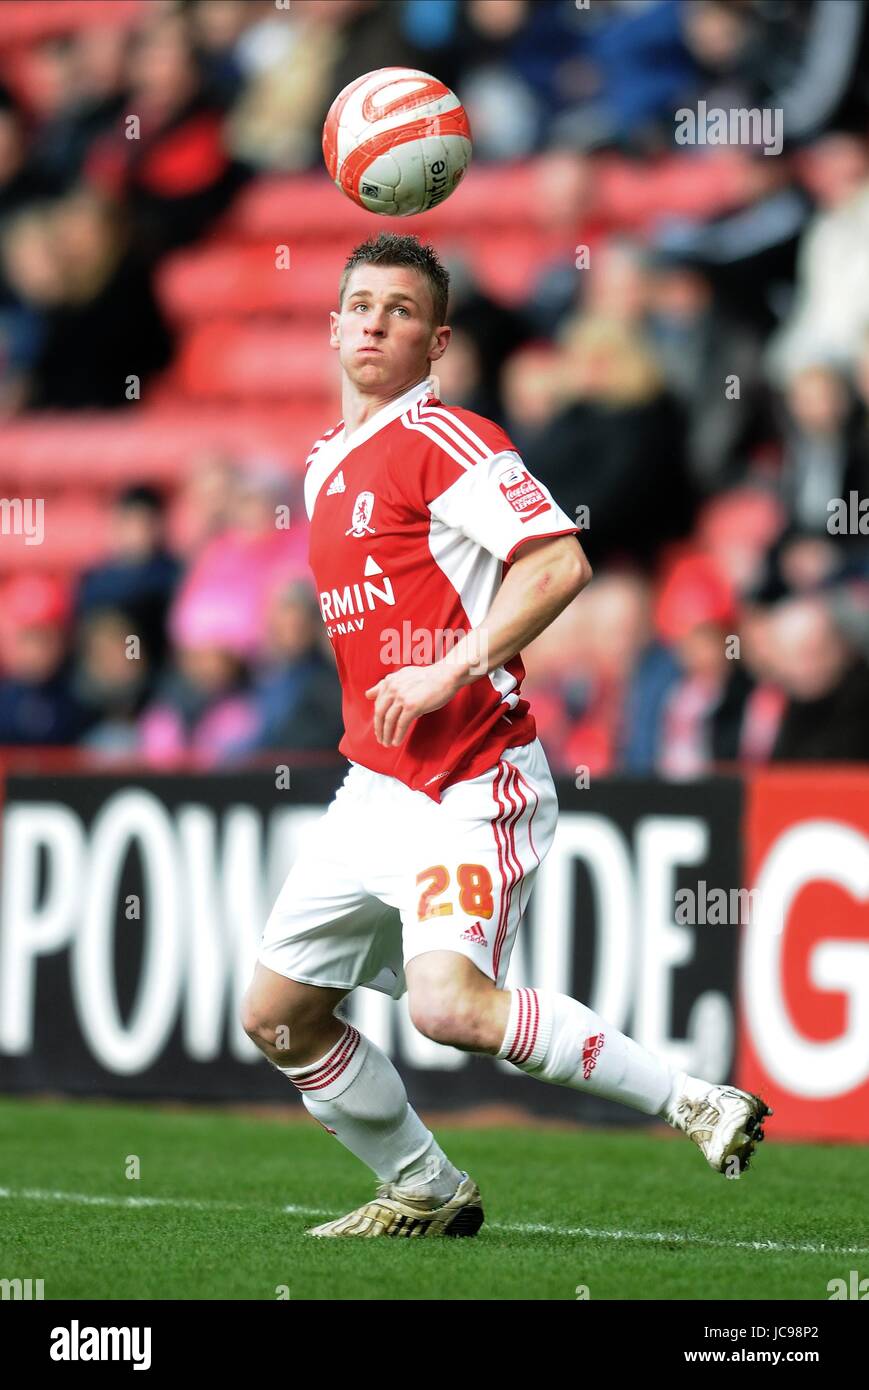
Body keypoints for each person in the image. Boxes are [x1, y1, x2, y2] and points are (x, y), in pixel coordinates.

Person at [240, 232, 771, 1240]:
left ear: (435, 341)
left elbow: (558, 565)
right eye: (359, 303)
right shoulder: (321, 467)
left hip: (472, 778)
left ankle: (697, 1101)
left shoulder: (447, 439)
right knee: (276, 1016)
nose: (374, 321)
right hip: (377, 787)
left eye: (401, 309)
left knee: (449, 1006)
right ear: (330, 325)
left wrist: (451, 663)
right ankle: (426, 1189)